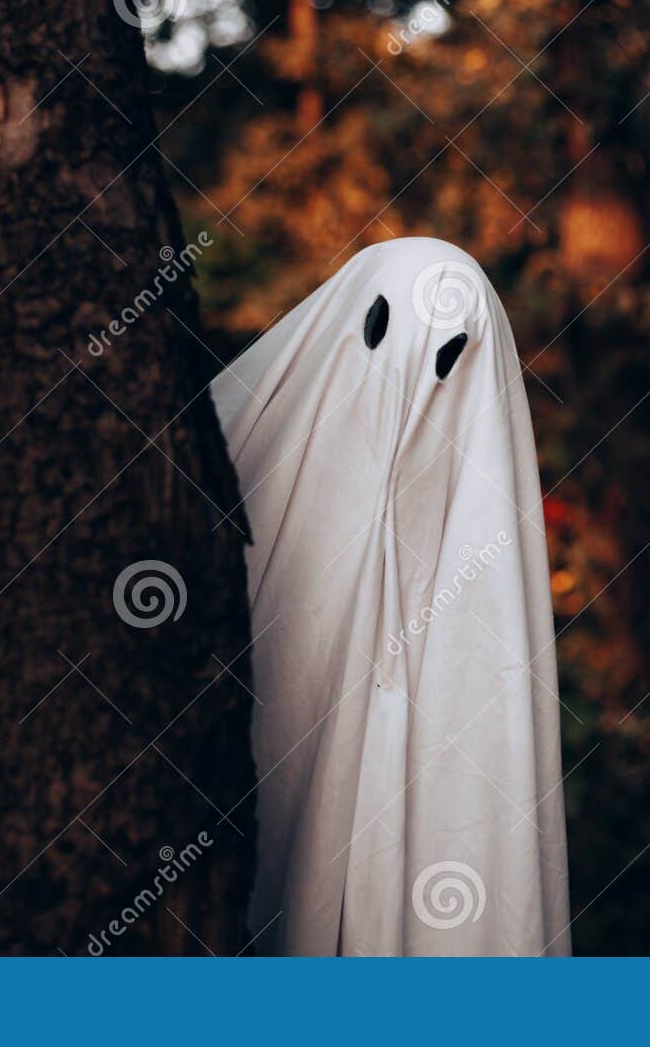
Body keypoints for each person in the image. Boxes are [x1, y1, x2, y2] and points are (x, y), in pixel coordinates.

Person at [211, 237, 571, 955]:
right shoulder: (230, 458)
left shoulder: (478, 563)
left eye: (447, 358)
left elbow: (472, 793)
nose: (413, 374)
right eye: (381, 331)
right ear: (343, 321)